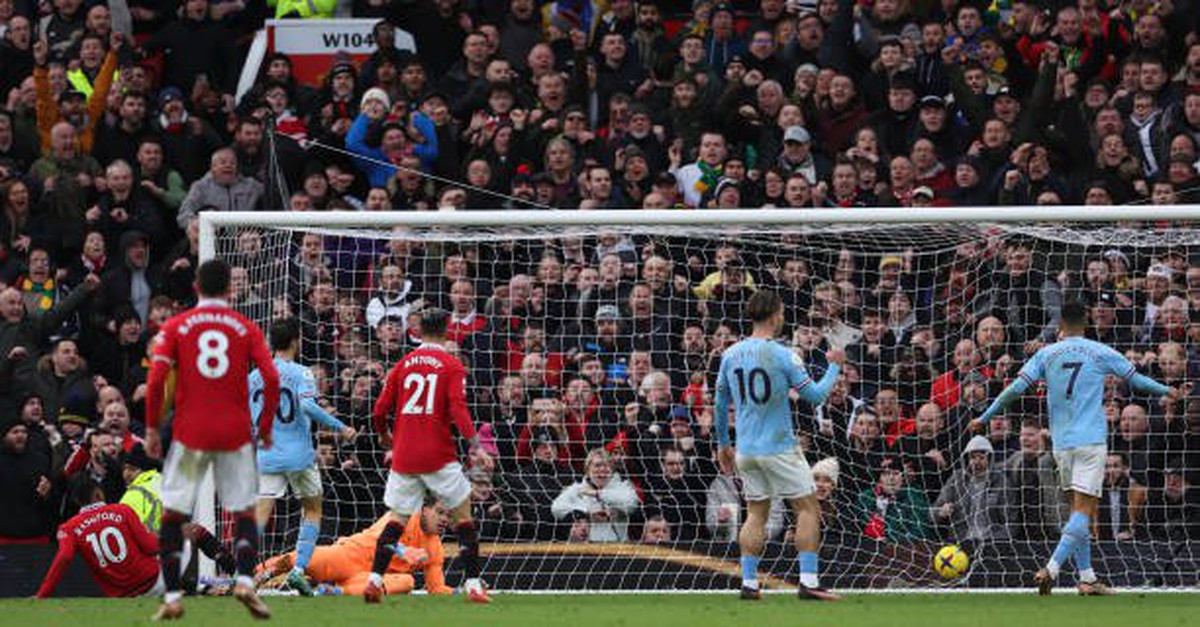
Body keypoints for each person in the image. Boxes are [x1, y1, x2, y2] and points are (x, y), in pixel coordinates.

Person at [972, 300, 1178, 595]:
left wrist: (984, 417)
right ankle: (1052, 568)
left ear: (1060, 326)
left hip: (1061, 444)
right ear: (1086, 322)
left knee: (1075, 512)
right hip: (1091, 442)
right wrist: (1166, 390)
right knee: (1085, 510)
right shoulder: (1100, 350)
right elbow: (1138, 381)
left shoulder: (1046, 353)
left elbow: (1015, 389)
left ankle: (1087, 578)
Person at [143, 259, 280, 619]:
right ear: (230, 290)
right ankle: (246, 582)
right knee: (244, 510)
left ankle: (172, 596)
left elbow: (156, 380)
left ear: (196, 287)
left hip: (190, 433)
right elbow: (270, 377)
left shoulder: (176, 325)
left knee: (173, 514)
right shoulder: (245, 327)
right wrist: (264, 428)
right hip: (234, 434)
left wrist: (153, 428)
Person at [714, 289, 846, 601]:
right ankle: (809, 582)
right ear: (775, 316)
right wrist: (835, 366)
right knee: (807, 508)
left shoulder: (730, 355)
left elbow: (720, 403)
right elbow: (814, 396)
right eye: (782, 312)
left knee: (756, 512)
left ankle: (749, 584)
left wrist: (723, 444)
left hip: (746, 449)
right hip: (780, 447)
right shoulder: (785, 355)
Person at [368, 307, 490, 604]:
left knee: (396, 519)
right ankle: (474, 585)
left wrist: (385, 437)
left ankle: (373, 580)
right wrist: (475, 444)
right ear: (447, 330)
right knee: (463, 518)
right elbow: (458, 409)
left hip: (405, 456)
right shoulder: (452, 365)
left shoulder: (402, 364)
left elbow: (379, 410)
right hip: (437, 454)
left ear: (418, 331)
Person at [250, 317, 356, 596]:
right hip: (299, 457)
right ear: (296, 341)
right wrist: (340, 427)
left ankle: (242, 572)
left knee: (260, 514)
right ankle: (298, 571)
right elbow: (308, 406)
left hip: (267, 456)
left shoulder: (254, 376)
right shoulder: (302, 373)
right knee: (312, 510)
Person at [257, 504, 451, 597]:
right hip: (351, 556)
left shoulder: (435, 549)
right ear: (424, 509)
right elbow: (382, 541)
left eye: (448, 516)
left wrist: (463, 590)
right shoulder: (402, 517)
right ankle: (250, 577)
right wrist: (404, 551)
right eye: (440, 512)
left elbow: (436, 588)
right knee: (298, 560)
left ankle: (335, 592)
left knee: (407, 582)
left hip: (369, 579)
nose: (445, 520)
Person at [35, 480, 162, 598]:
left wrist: (42, 594)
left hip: (122, 594)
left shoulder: (68, 528)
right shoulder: (123, 510)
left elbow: (64, 557)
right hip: (153, 582)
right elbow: (151, 547)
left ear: (76, 501)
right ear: (98, 494)